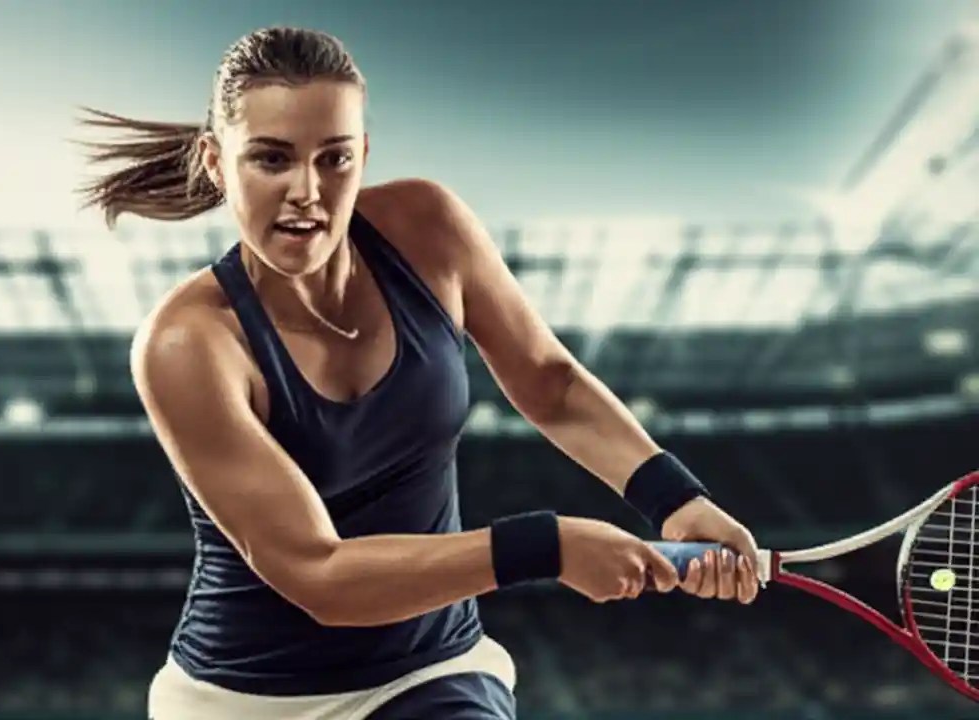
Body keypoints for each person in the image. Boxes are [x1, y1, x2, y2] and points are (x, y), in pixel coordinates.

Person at [77, 26, 761, 720]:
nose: (306, 192)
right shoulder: (186, 344)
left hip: (430, 674)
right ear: (217, 163)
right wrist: (547, 545)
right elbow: (322, 574)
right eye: (271, 159)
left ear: (363, 155)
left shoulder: (426, 228)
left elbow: (549, 383)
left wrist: (676, 498)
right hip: (245, 700)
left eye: (334, 158)